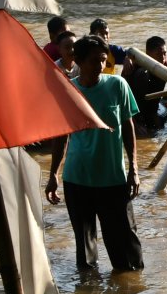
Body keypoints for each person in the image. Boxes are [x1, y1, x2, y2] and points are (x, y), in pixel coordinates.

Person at [45, 35, 143, 272]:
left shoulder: (117, 85)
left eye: (103, 60)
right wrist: (53, 174)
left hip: (113, 178)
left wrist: (134, 169)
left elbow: (128, 127)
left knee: (126, 248)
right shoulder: (69, 91)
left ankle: (131, 288)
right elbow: (61, 137)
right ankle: (89, 291)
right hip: (77, 179)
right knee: (86, 250)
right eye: (93, 61)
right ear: (78, 61)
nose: (99, 66)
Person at [124, 36, 167, 134]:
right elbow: (124, 98)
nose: (163, 58)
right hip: (134, 110)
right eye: (158, 54)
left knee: (159, 127)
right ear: (148, 54)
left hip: (153, 108)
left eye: (164, 53)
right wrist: (135, 123)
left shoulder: (165, 67)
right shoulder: (134, 67)